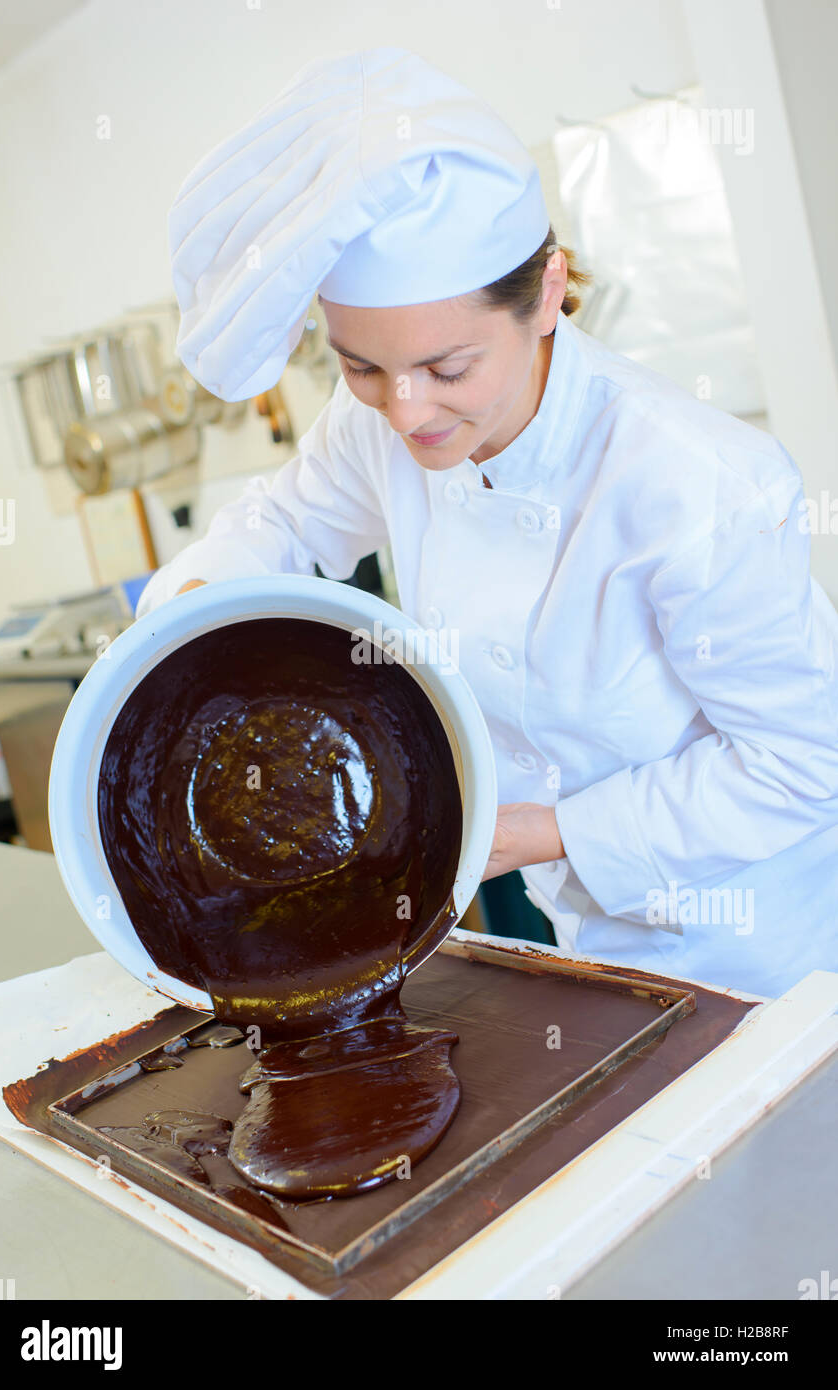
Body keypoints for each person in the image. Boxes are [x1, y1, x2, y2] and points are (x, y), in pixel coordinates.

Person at [137, 45, 838, 998]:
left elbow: (802, 762)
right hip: (584, 939)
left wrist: (534, 832)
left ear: (547, 293)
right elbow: (283, 524)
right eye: (360, 367)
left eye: (449, 369)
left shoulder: (693, 484)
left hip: (763, 952)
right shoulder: (375, 423)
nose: (406, 411)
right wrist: (171, 633)